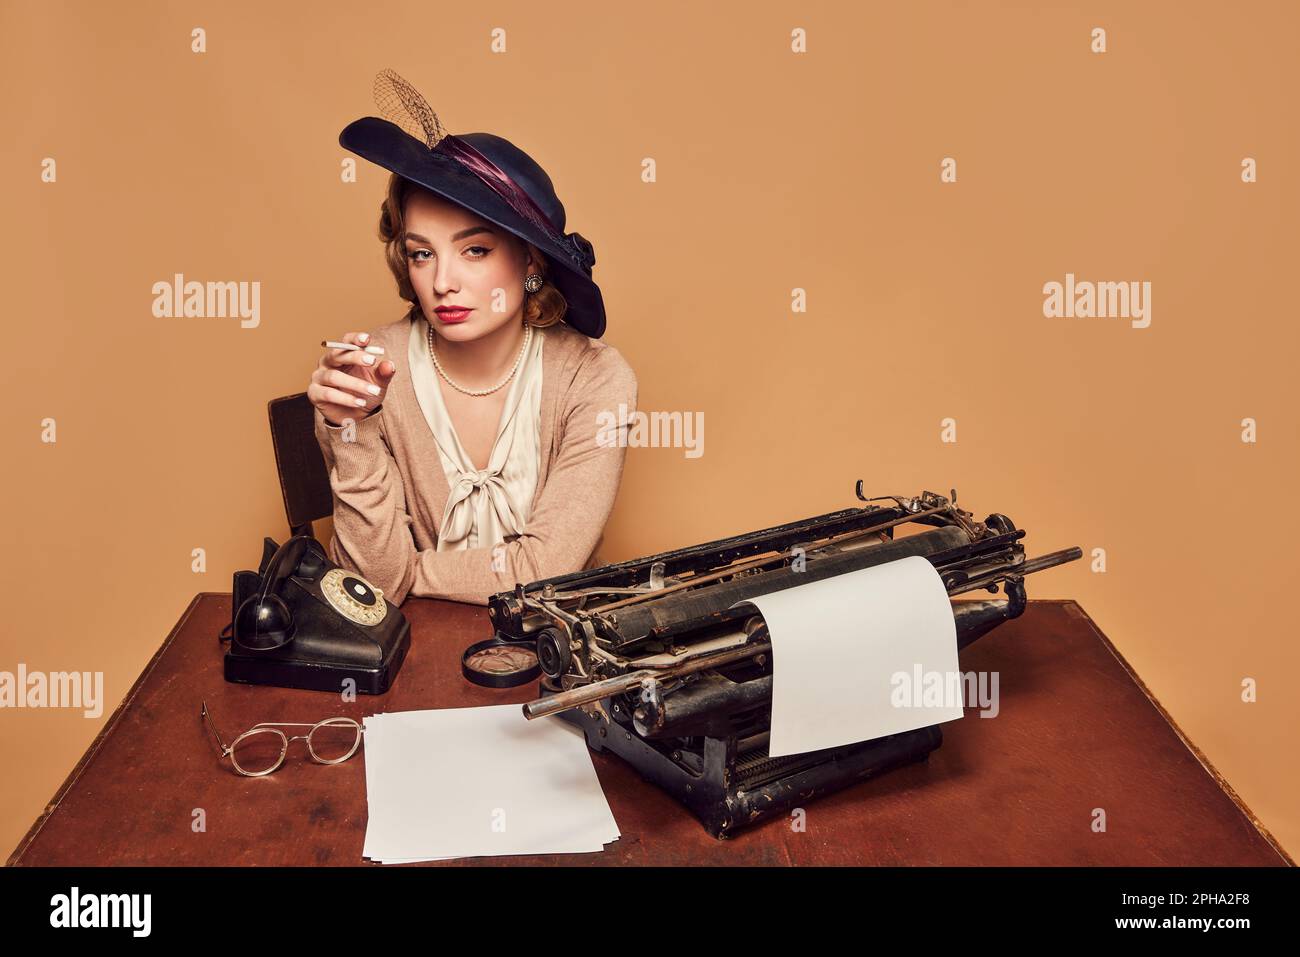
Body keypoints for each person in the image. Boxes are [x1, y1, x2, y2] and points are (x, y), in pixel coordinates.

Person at [306, 70, 637, 605]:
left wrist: (412, 574)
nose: (442, 283)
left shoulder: (593, 377)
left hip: (559, 654)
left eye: (474, 250)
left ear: (529, 258)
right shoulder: (369, 370)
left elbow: (547, 569)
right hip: (408, 665)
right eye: (422, 253)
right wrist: (352, 431)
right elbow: (371, 588)